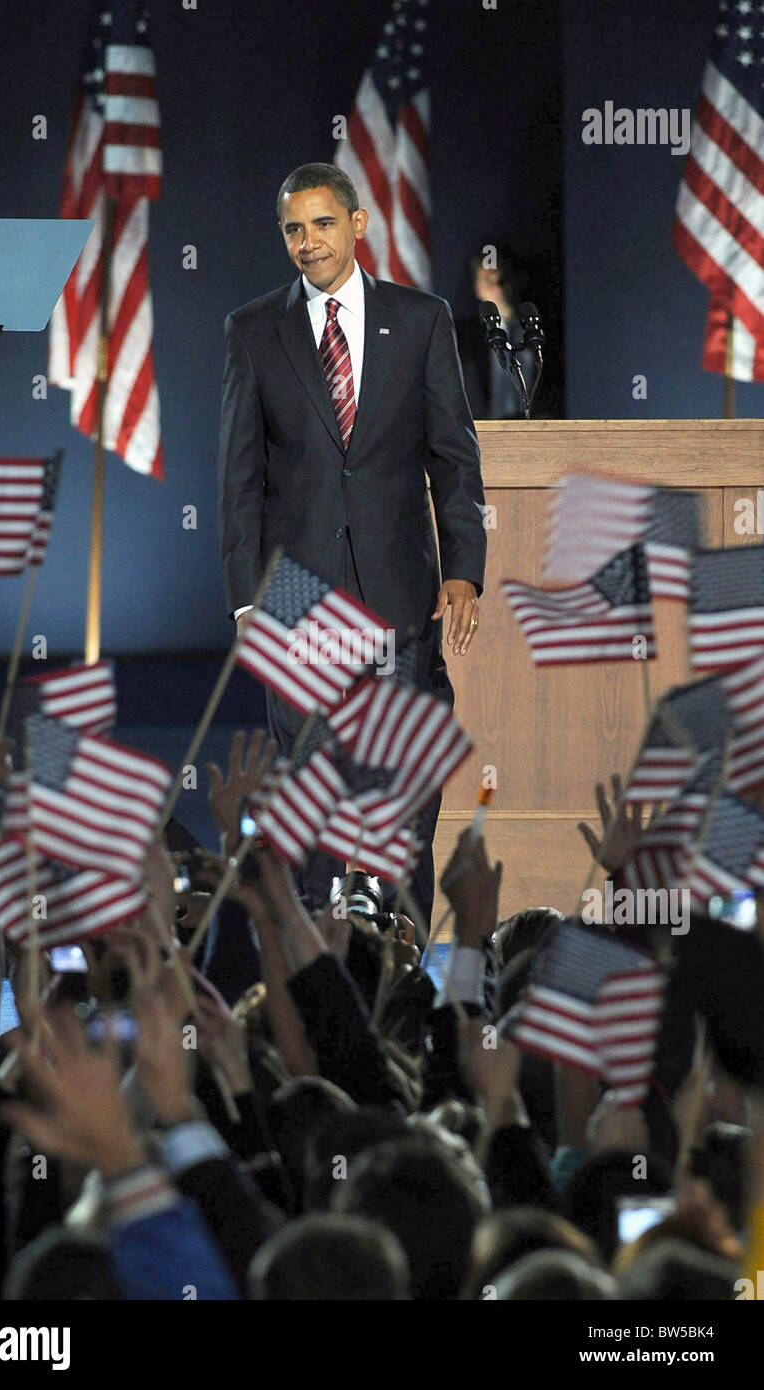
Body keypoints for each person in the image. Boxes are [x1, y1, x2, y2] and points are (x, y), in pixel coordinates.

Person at [218, 162, 487, 926]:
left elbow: (453, 456)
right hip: (295, 597)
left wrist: (464, 569)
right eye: (293, 230)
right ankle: (315, 973)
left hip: (397, 588)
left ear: (358, 223)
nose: (309, 243)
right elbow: (238, 480)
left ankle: (397, 963)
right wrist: (246, 600)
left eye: (323, 224)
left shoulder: (422, 319)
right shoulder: (252, 329)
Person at [454, 243, 541, 420]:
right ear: (477, 287)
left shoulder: (538, 330)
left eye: (503, 279)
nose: (498, 287)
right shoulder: (461, 336)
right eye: (488, 281)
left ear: (517, 279)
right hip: (481, 436)